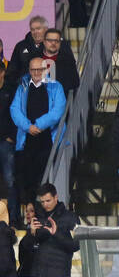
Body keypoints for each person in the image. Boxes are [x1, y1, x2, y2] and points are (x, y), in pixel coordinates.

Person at [10, 58, 66, 208]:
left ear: (45, 70)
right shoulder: (22, 86)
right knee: (27, 178)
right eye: (33, 70)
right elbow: (14, 109)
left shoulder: (55, 86)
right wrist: (28, 127)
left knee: (45, 178)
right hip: (27, 140)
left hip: (48, 140)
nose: (36, 73)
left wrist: (39, 125)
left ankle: (44, 213)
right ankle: (30, 212)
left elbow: (57, 111)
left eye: (39, 70)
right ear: (29, 71)